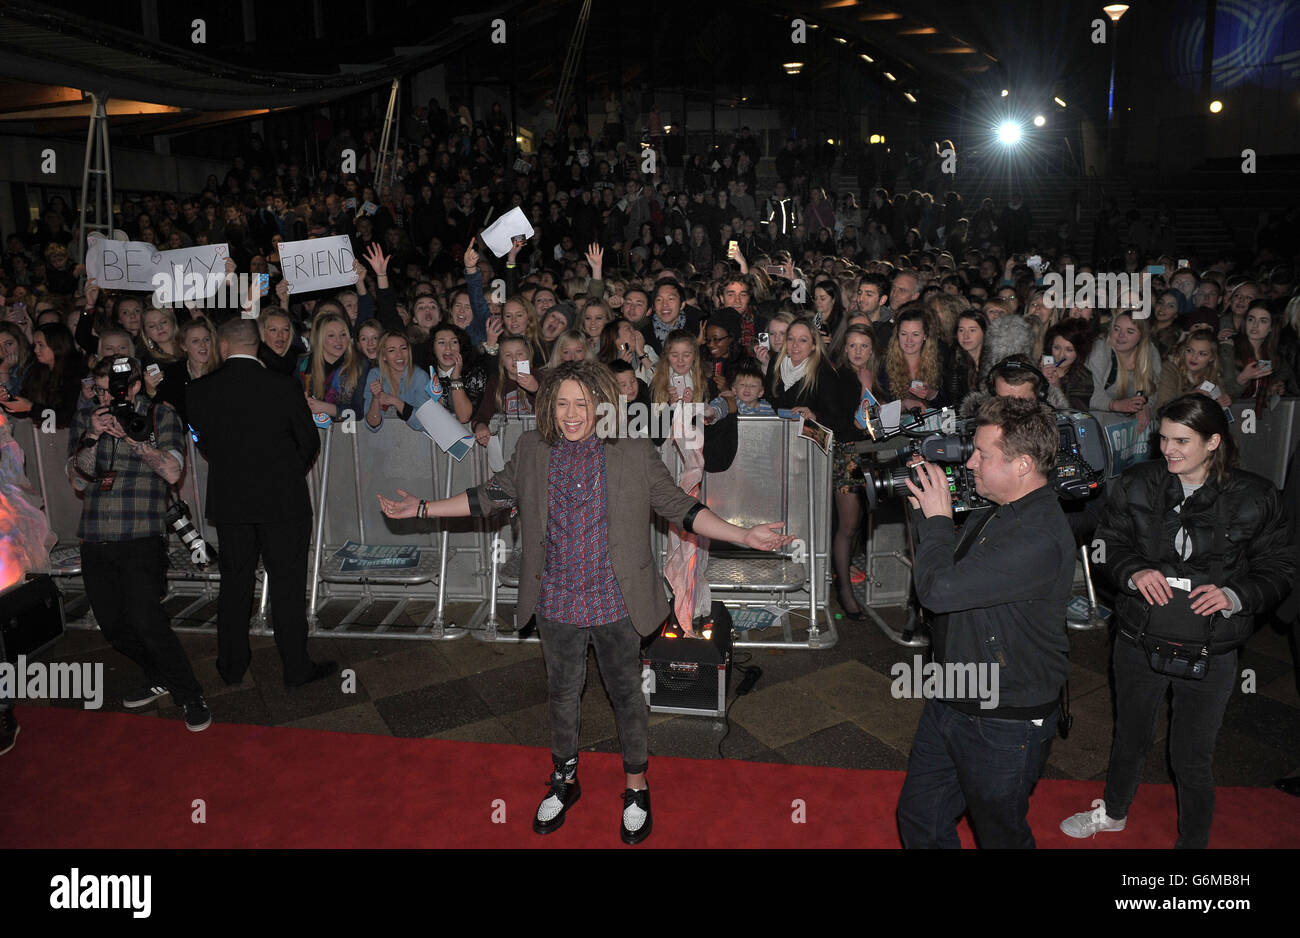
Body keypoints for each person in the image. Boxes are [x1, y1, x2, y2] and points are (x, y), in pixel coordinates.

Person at [377, 360, 794, 845]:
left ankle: (636, 788)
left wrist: (744, 536)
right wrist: (422, 507)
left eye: (582, 403)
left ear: (601, 405)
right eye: (562, 403)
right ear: (549, 407)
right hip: (555, 599)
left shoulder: (632, 452)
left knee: (625, 695)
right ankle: (564, 779)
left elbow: (681, 508)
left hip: (616, 601)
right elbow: (488, 497)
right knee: (561, 693)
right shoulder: (532, 449)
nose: (572, 414)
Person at [1060, 394, 1295, 847]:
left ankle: (1193, 843)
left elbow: (1282, 568)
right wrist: (1131, 572)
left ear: (1213, 442)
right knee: (1130, 736)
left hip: (1213, 647)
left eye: (1181, 441)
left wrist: (1236, 594)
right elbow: (1106, 545)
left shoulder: (1257, 495)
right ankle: (1113, 812)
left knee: (1191, 756)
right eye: (1164, 438)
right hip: (1137, 637)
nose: (1168, 449)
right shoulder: (1135, 483)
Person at [896, 396, 1075, 848]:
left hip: (1004, 716)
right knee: (921, 816)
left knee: (999, 835)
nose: (971, 462)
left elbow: (939, 592)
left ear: (1023, 465)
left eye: (982, 454)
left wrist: (937, 520)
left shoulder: (1037, 536)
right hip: (954, 688)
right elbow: (952, 578)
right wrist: (930, 506)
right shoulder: (999, 505)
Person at [186, 318, 335, 689]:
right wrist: (284, 474)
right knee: (287, 586)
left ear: (222, 347)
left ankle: (231, 666)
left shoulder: (200, 390)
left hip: (231, 503)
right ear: (257, 346)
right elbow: (309, 442)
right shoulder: (283, 386)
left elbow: (203, 442)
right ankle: (296, 667)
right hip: (283, 502)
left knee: (234, 585)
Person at [67, 356, 211, 730]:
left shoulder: (160, 416)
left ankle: (190, 693)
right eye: (99, 390)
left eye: (111, 389)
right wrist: (93, 435)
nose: (105, 396)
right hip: (96, 536)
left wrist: (134, 439)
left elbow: (173, 470)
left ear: (132, 386)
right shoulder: (91, 418)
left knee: (148, 621)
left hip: (142, 536)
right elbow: (78, 481)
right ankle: (158, 673)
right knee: (113, 628)